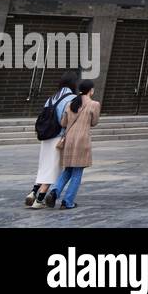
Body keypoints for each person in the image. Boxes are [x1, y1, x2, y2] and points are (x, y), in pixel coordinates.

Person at [44, 79, 100, 210]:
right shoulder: (94, 104)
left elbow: (63, 123)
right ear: (90, 90)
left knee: (68, 169)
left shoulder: (71, 103)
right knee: (77, 172)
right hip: (82, 141)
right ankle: (67, 202)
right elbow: (94, 122)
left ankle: (54, 192)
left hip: (68, 140)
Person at [27, 71, 79, 209]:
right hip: (59, 137)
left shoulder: (51, 98)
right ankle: (39, 200)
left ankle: (33, 192)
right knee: (53, 168)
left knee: (44, 166)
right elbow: (69, 120)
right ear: (74, 83)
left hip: (46, 136)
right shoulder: (73, 98)